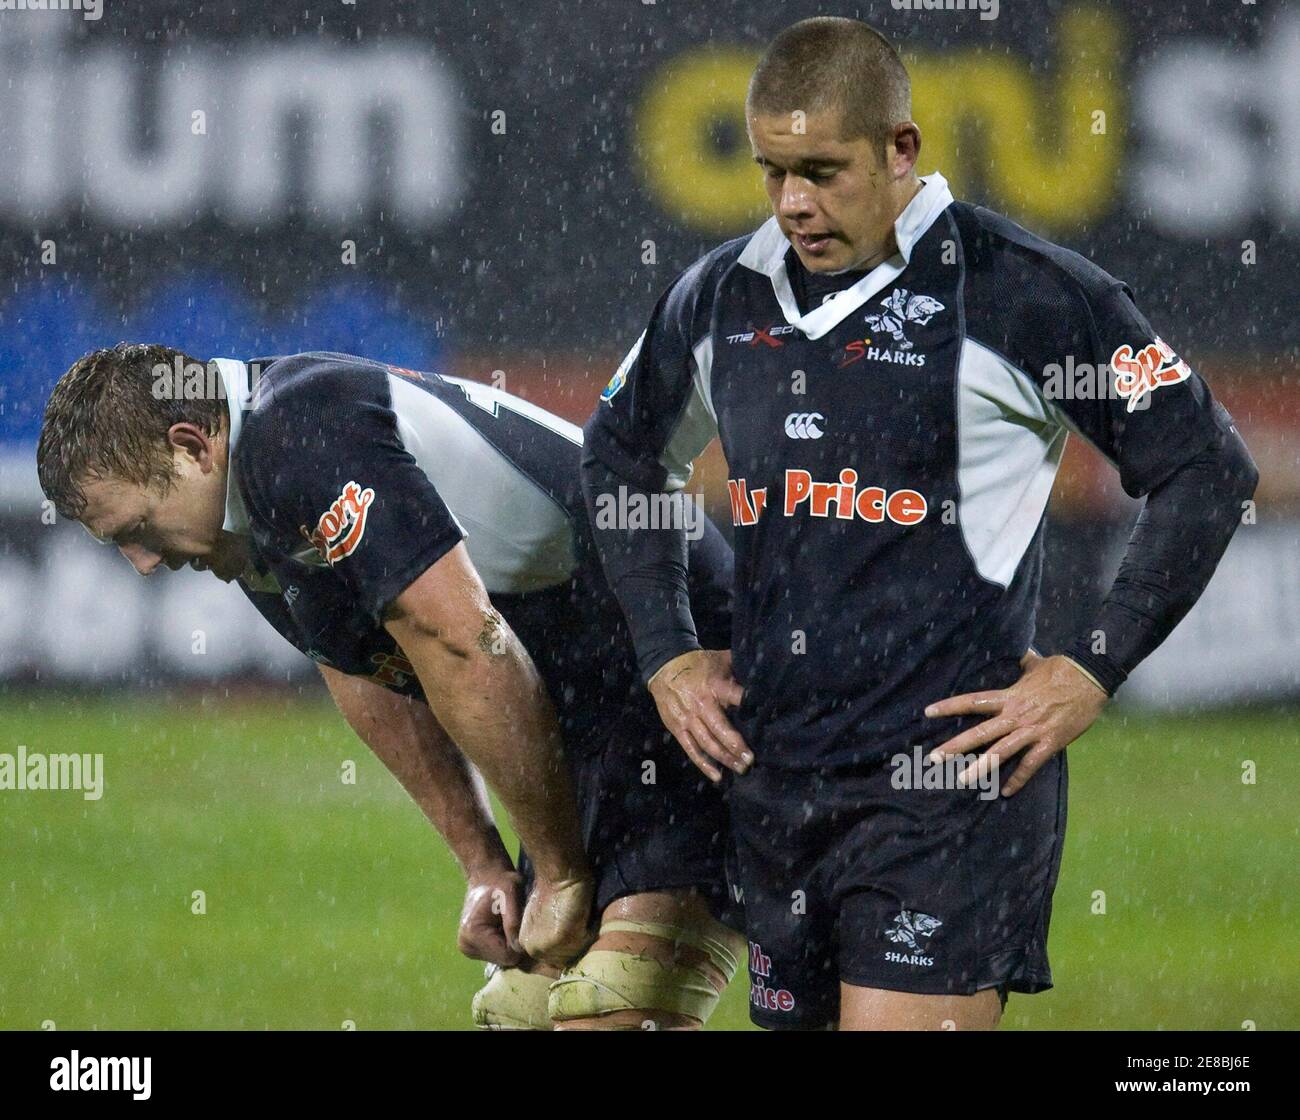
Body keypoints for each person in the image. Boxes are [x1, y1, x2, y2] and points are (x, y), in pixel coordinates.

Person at [580, 17, 1258, 1031]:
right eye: (770, 171)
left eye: (821, 169)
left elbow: (1206, 469)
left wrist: (1088, 668)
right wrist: (668, 653)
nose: (793, 203)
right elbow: (620, 453)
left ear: (902, 149)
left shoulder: (1024, 293)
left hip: (947, 796)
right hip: (776, 788)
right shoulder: (721, 297)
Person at [37, 344, 743, 1030]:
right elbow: (370, 675)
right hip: (590, 697)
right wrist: (484, 865)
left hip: (675, 661)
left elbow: (467, 643)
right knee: (520, 1015)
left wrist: (559, 872)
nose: (141, 565)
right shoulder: (239, 504)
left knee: (612, 1008)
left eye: (137, 530)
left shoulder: (297, 432)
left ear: (192, 446)